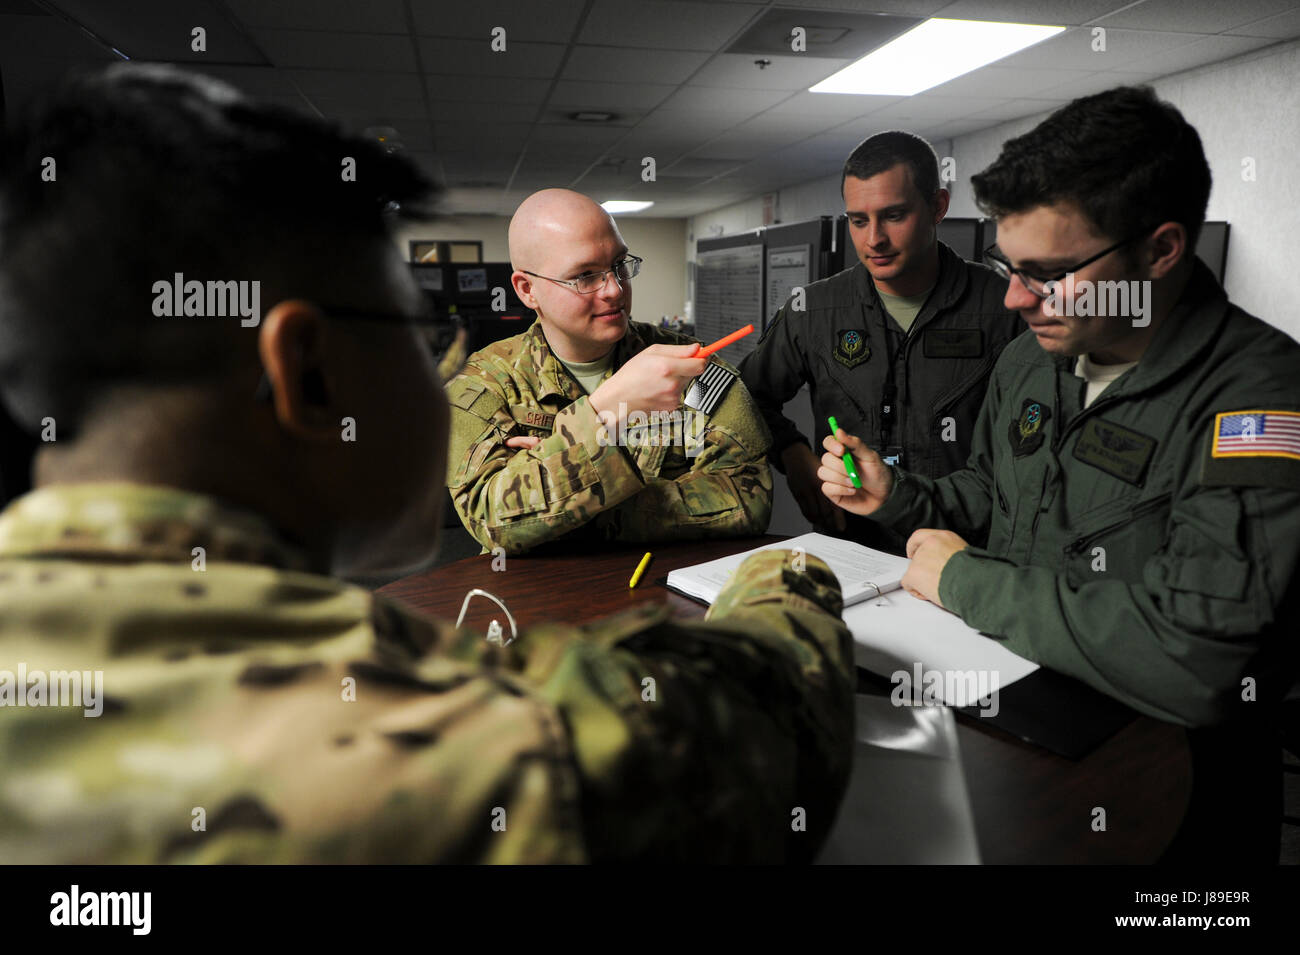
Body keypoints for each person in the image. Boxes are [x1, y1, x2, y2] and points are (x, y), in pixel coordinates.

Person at [0, 64, 855, 863]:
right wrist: (792, 572)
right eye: (415, 328)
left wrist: (571, 489)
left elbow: (737, 487)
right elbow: (772, 723)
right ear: (306, 372)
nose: (440, 364)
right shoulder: (447, 728)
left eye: (617, 269)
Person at [819, 86, 1300, 862]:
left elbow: (1199, 658)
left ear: (1162, 249)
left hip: (1169, 794)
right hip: (1022, 735)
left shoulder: (1260, 399)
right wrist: (897, 496)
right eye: (1009, 267)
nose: (1014, 297)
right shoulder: (1033, 357)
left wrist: (963, 582)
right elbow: (992, 492)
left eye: (1047, 272)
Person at [445, 188, 772, 555]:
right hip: (536, 601)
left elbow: (747, 500)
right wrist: (604, 411)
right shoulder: (482, 384)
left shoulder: (690, 366)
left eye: (619, 264)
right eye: (585, 275)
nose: (615, 289)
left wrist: (553, 495)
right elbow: (490, 522)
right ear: (527, 290)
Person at [740, 131, 1021, 551]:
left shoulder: (1004, 306)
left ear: (938, 207)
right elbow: (746, 395)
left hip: (963, 549)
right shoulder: (814, 309)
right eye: (858, 220)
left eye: (894, 215)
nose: (874, 240)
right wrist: (795, 455)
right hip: (852, 547)